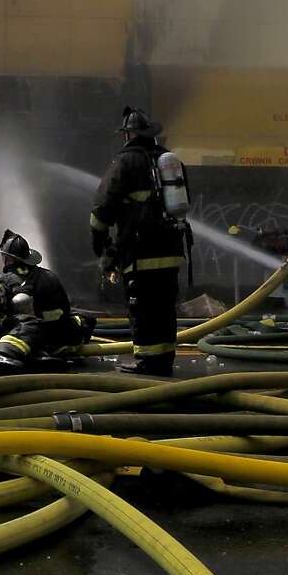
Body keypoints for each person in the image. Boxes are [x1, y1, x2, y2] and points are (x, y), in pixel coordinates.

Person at [90, 107, 190, 377]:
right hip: (171, 251)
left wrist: (102, 248)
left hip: (140, 252)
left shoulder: (124, 163)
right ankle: (165, 359)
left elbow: (101, 211)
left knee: (143, 308)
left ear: (129, 134)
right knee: (165, 308)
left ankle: (147, 361)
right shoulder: (169, 162)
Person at [0, 229, 90, 370]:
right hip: (63, 335)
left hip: (35, 339)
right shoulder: (49, 275)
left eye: (3, 256)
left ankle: (32, 353)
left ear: (9, 258)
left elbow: (20, 302)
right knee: (85, 318)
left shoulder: (5, 280)